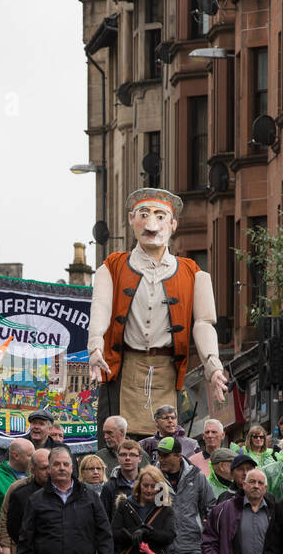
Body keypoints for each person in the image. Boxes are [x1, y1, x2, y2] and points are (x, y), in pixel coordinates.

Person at [88, 188, 227, 445]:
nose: (152, 224)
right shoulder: (112, 267)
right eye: (144, 215)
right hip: (124, 370)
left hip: (167, 373)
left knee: (167, 447)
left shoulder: (193, 273)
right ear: (131, 220)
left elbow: (204, 323)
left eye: (160, 216)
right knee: (119, 445)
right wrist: (95, 346)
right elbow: (101, 307)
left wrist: (213, 367)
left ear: (173, 224)